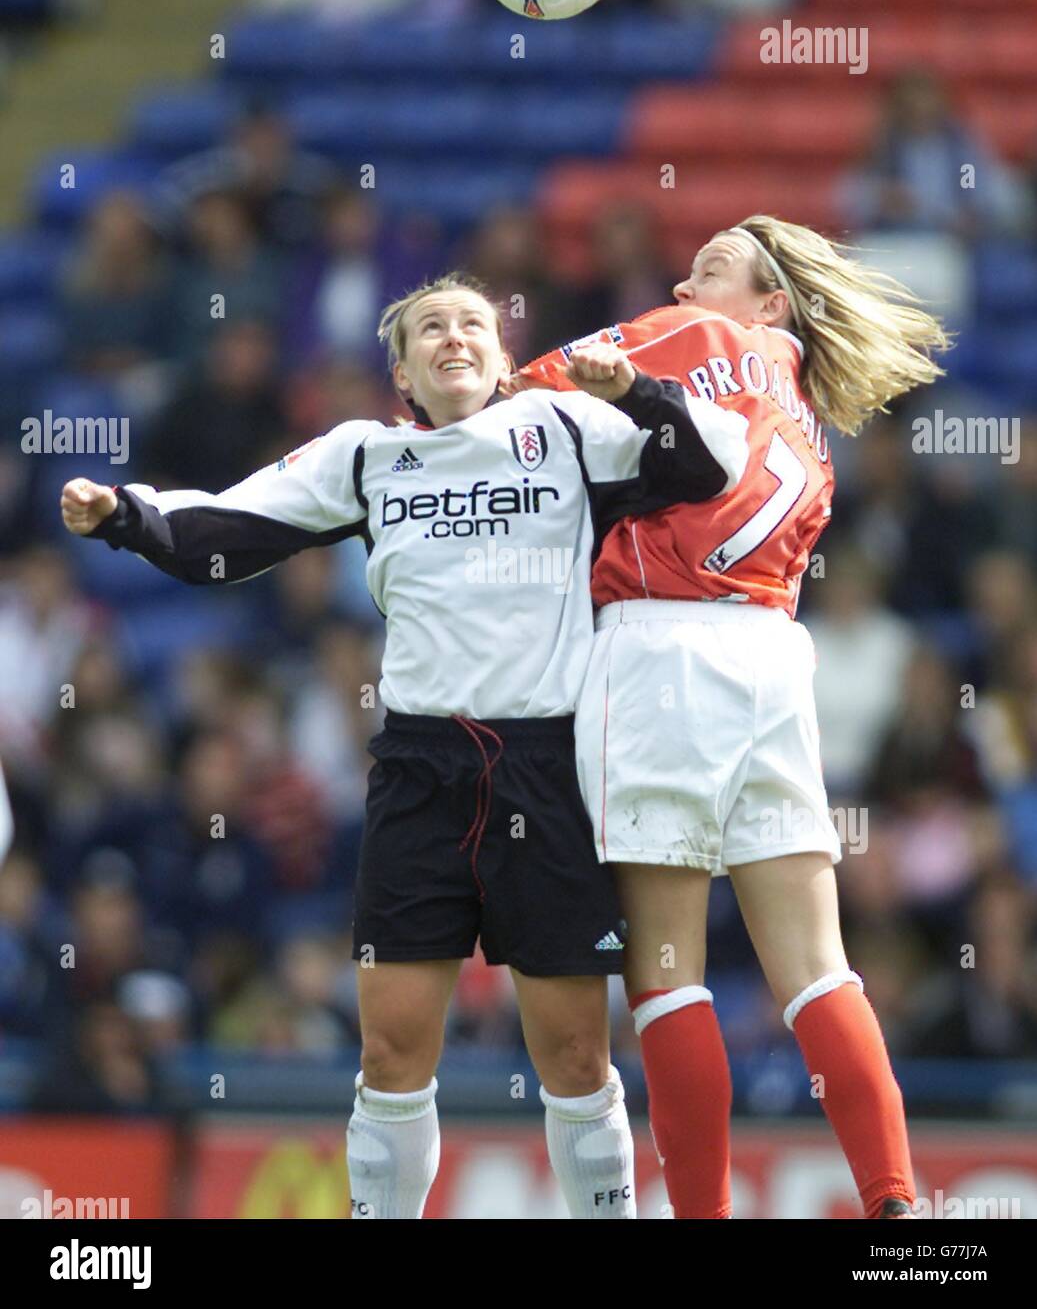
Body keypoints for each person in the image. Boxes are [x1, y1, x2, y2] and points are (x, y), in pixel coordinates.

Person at [61, 274, 748, 1220]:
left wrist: (633, 390)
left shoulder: (564, 428)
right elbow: (223, 529)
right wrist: (123, 516)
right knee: (388, 1054)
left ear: (505, 361)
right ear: (402, 372)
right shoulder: (364, 458)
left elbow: (708, 467)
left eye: (473, 324)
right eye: (430, 329)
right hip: (421, 774)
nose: (453, 338)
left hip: (546, 772)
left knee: (577, 1057)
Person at [514, 216, 949, 1220]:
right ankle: (894, 1203)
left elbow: (535, 391)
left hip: (663, 649)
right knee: (814, 966)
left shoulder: (702, 342)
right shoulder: (805, 416)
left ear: (769, 300)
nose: (677, 284)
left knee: (667, 970)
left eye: (708, 268)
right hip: (768, 659)